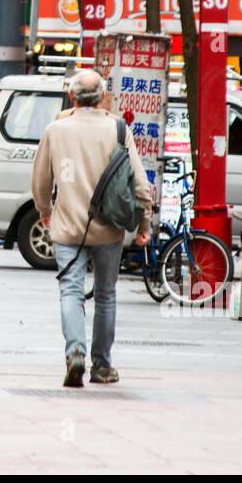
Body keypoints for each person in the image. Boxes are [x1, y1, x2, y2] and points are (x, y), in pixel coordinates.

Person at [30, 68, 155, 387]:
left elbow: (41, 180)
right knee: (106, 294)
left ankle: (75, 352)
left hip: (68, 227)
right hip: (109, 229)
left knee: (70, 290)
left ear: (71, 96)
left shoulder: (55, 130)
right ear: (103, 98)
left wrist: (45, 210)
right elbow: (140, 184)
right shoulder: (117, 129)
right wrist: (144, 223)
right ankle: (102, 365)